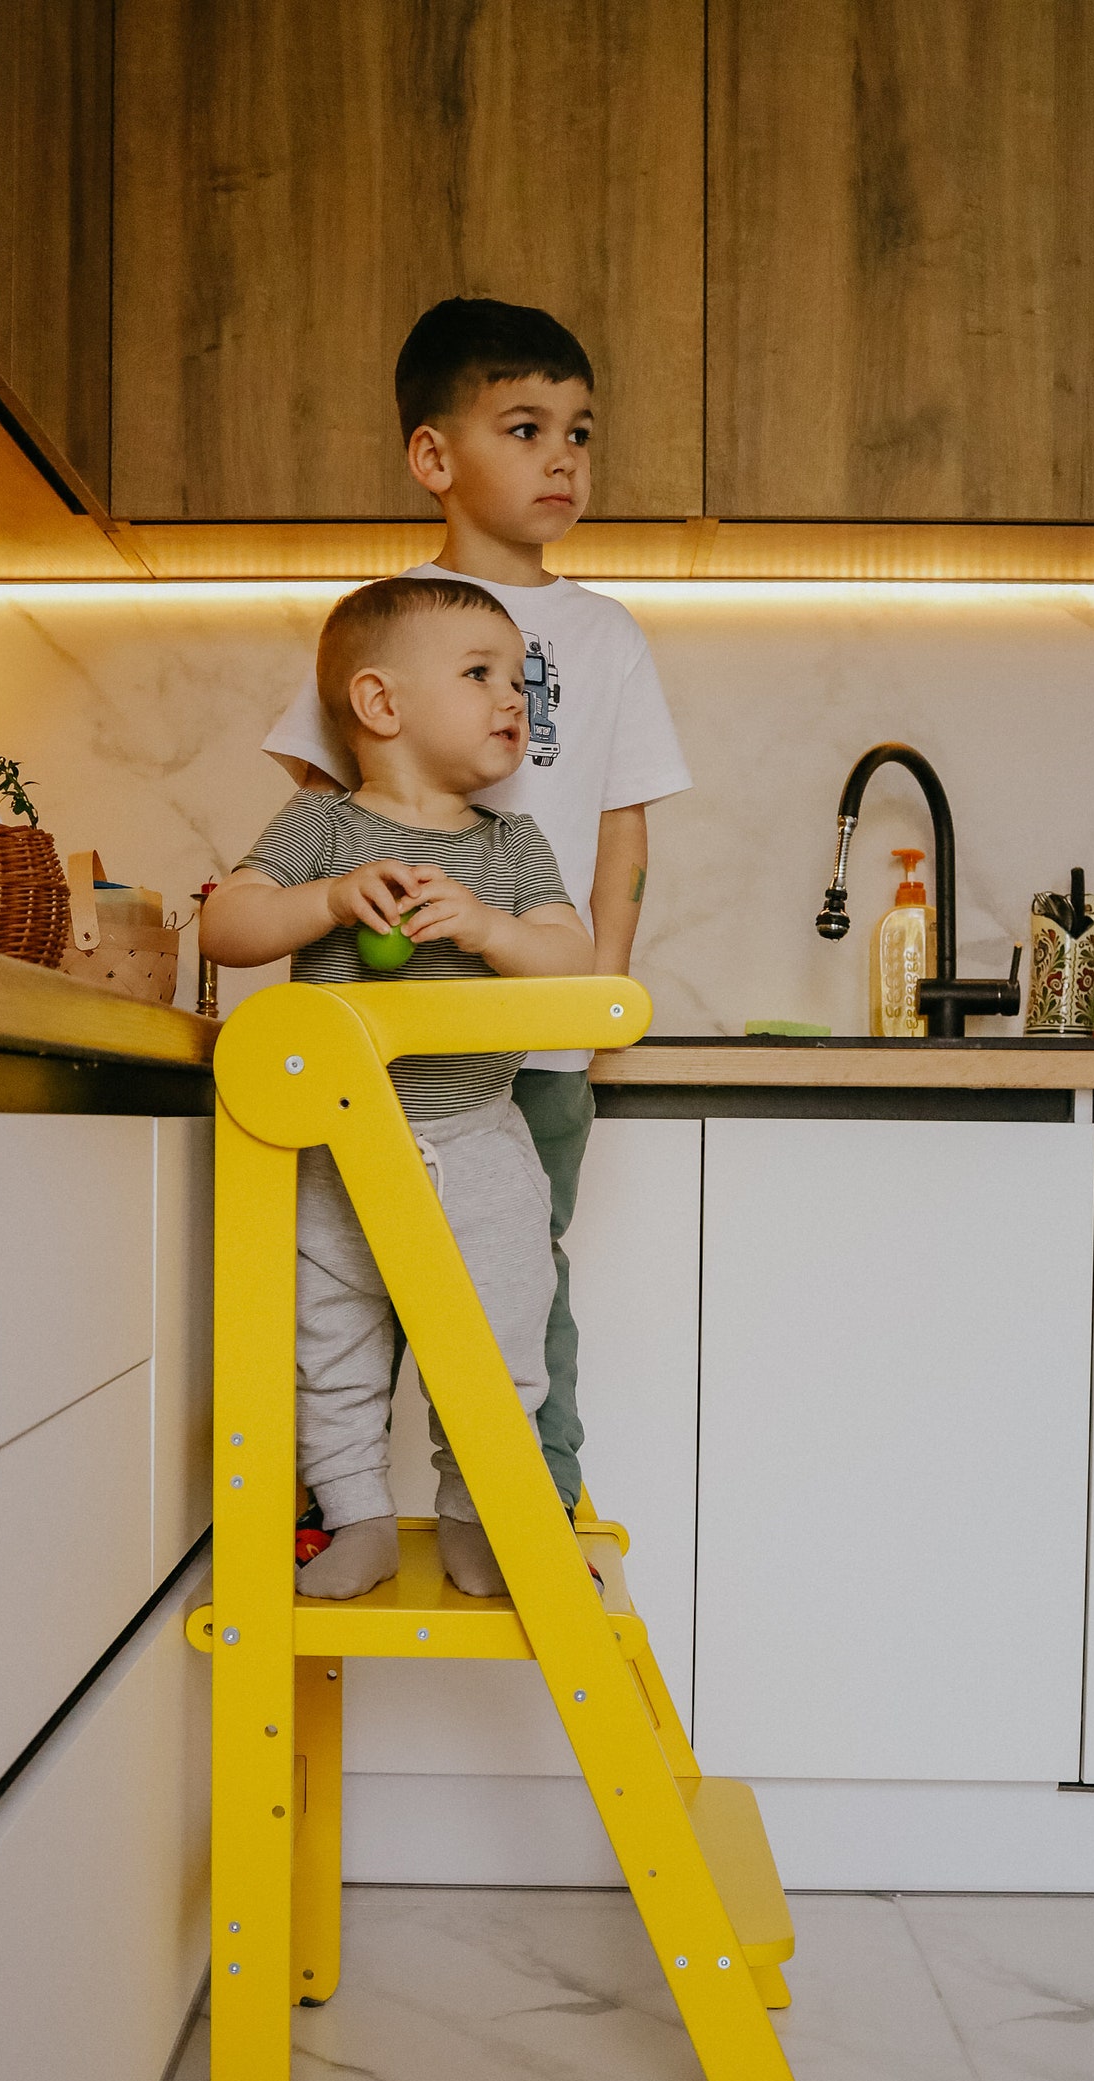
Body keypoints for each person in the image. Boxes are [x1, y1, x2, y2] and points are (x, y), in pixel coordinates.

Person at [264, 296, 690, 1516]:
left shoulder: (606, 636)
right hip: (369, 1044)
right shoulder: (383, 620)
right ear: (434, 458)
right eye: (524, 425)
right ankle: (325, 1512)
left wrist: (598, 992)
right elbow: (309, 807)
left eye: (580, 430)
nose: (563, 456)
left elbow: (622, 824)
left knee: (514, 1287)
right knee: (346, 1282)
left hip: (530, 1045)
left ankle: (524, 1507)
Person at [201, 574, 593, 1599]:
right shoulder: (319, 827)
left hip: (477, 1140)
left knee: (502, 1336)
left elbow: (572, 956)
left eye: (517, 678)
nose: (513, 697)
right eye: (479, 674)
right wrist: (326, 901)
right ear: (380, 704)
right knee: (331, 1341)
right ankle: (357, 1517)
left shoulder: (512, 847)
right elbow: (228, 926)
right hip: (333, 1149)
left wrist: (488, 929)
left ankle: (477, 1513)